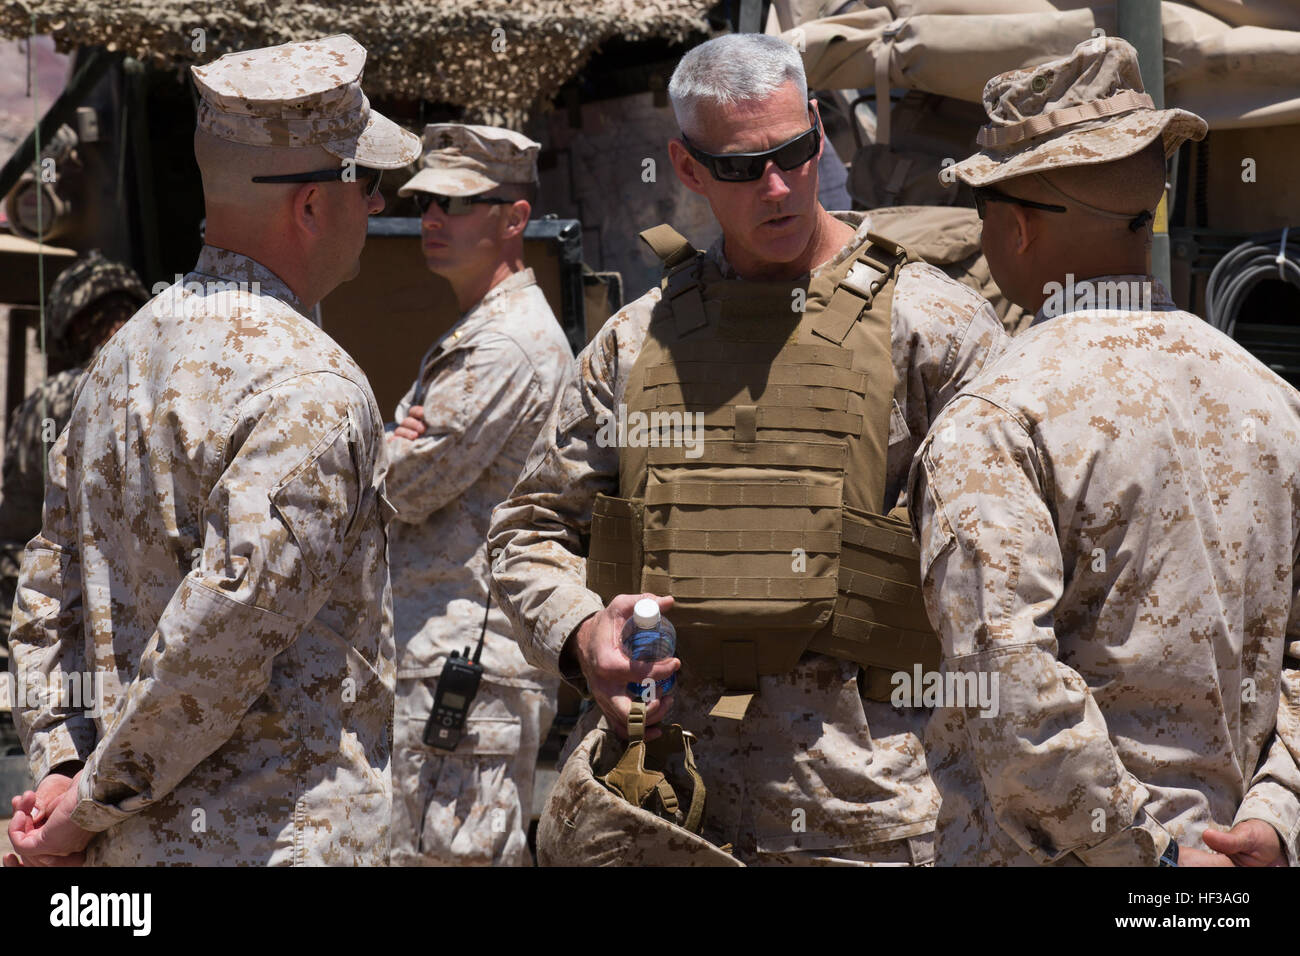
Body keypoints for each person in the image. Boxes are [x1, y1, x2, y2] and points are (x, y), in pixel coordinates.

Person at [489, 32, 1007, 866]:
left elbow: (1019, 568)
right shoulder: (633, 344)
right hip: (660, 805)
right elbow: (528, 530)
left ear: (817, 130)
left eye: (793, 153)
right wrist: (586, 636)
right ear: (686, 168)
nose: (776, 187)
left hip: (864, 806)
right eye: (738, 167)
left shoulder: (932, 329)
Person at [4, 33, 420, 866]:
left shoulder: (121, 359)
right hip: (276, 839)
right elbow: (219, 634)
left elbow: (46, 580)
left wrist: (60, 765)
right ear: (311, 204)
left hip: (132, 852)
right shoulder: (314, 386)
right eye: (365, 183)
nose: (375, 208)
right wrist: (84, 804)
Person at [908, 35, 1298, 867]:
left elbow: (1011, 691)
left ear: (1014, 228)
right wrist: (1275, 817)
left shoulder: (995, 419)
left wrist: (1151, 859)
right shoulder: (1275, 401)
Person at [384, 124, 571, 866]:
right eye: (427, 202)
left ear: (514, 219)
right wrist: (397, 439)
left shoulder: (503, 344)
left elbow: (408, 484)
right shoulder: (481, 330)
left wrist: (380, 443)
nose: (433, 220)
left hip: (466, 662)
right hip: (451, 657)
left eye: (457, 204)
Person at [0, 252, 147, 640]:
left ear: (77, 322)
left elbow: (19, 528)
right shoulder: (184, 382)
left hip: (84, 635)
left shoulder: (54, 399)